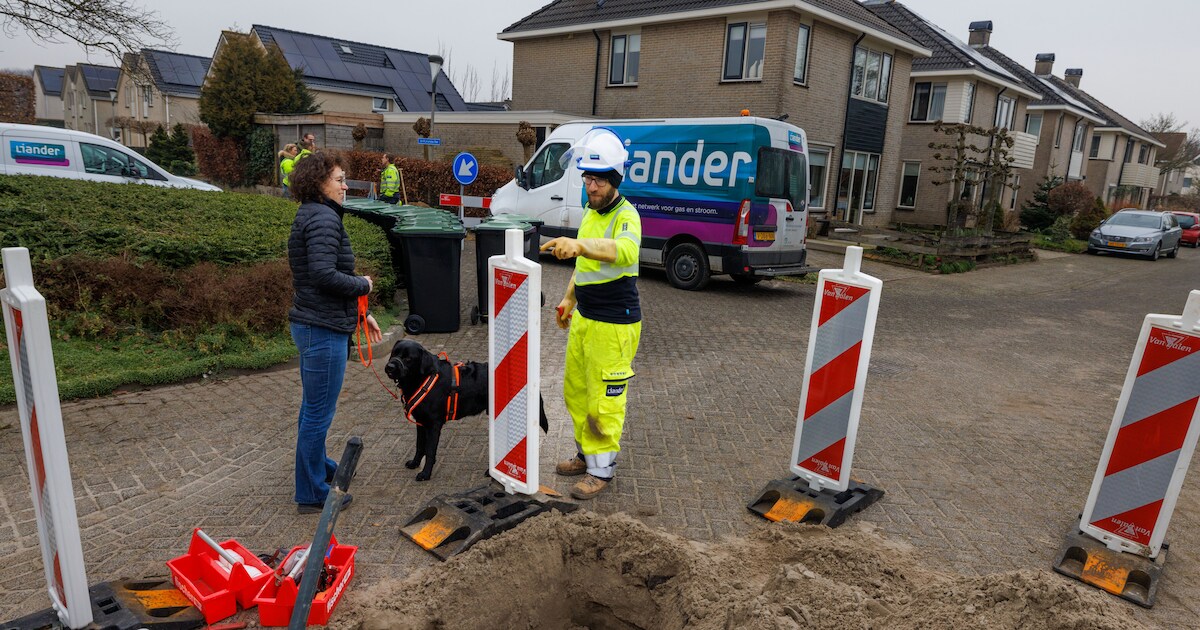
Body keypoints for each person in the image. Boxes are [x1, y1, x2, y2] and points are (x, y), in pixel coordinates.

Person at [540, 128, 641, 500]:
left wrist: (580, 244)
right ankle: (586, 454)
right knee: (576, 391)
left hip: (614, 324)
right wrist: (569, 299)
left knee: (604, 400)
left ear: (614, 180)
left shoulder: (627, 215)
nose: (591, 187)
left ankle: (602, 470)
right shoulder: (590, 212)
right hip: (586, 318)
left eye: (598, 180)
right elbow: (584, 267)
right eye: (587, 179)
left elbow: (625, 251)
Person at [286, 152, 382, 514]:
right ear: (319, 182)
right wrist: (363, 284)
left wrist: (362, 314)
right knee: (317, 413)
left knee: (313, 408)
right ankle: (312, 492)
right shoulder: (324, 219)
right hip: (321, 329)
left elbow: (318, 279)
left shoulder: (312, 213)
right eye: (339, 180)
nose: (345, 187)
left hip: (317, 323)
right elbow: (325, 275)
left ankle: (320, 468)